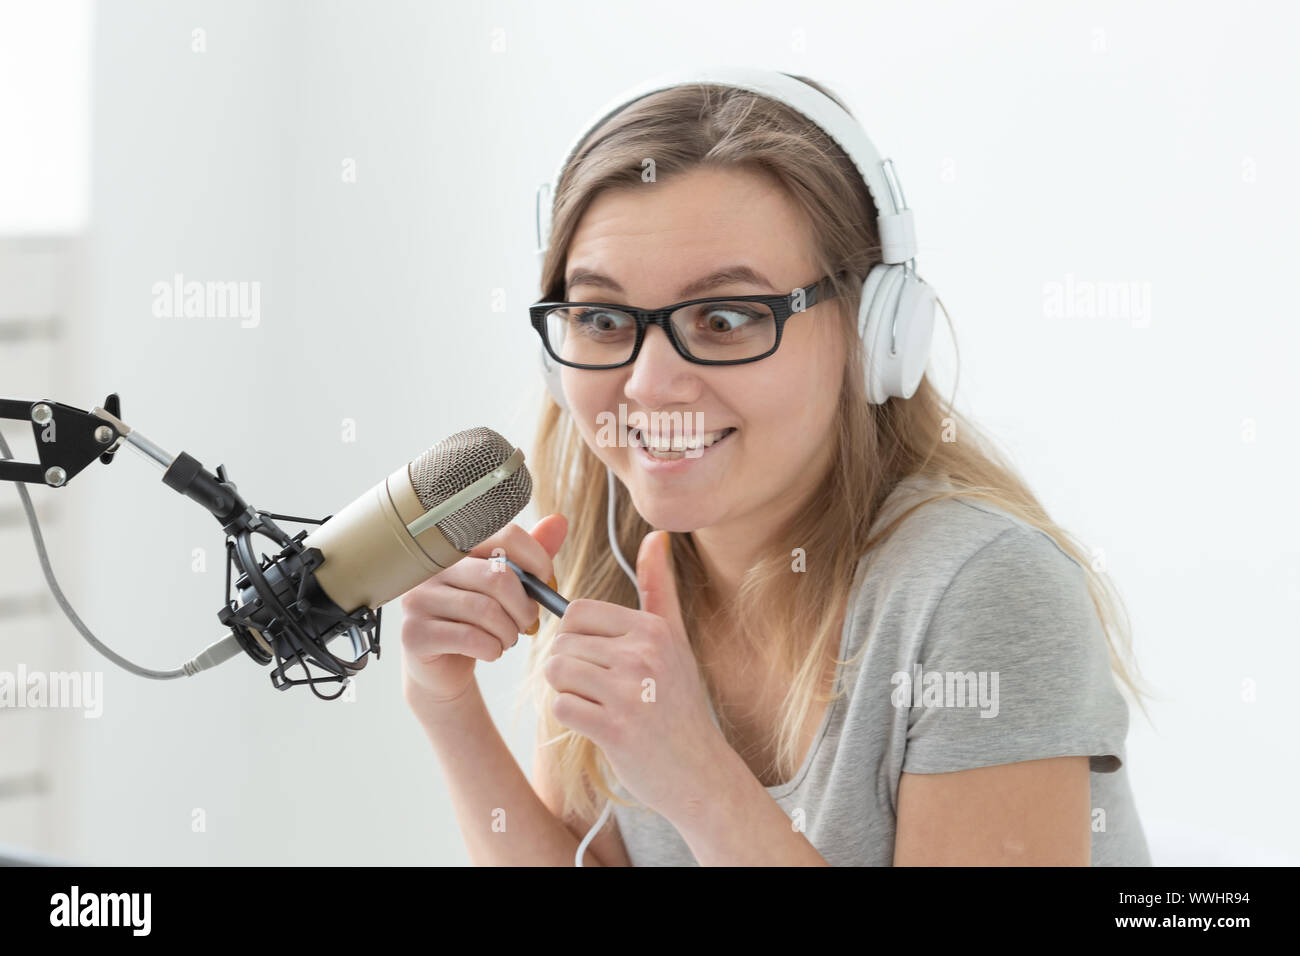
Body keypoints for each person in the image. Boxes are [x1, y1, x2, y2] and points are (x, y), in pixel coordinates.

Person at [399, 73, 1152, 866]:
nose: (649, 384)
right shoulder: (617, 547)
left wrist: (703, 787)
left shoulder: (983, 592)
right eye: (602, 318)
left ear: (874, 334)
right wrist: (444, 703)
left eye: (725, 318)